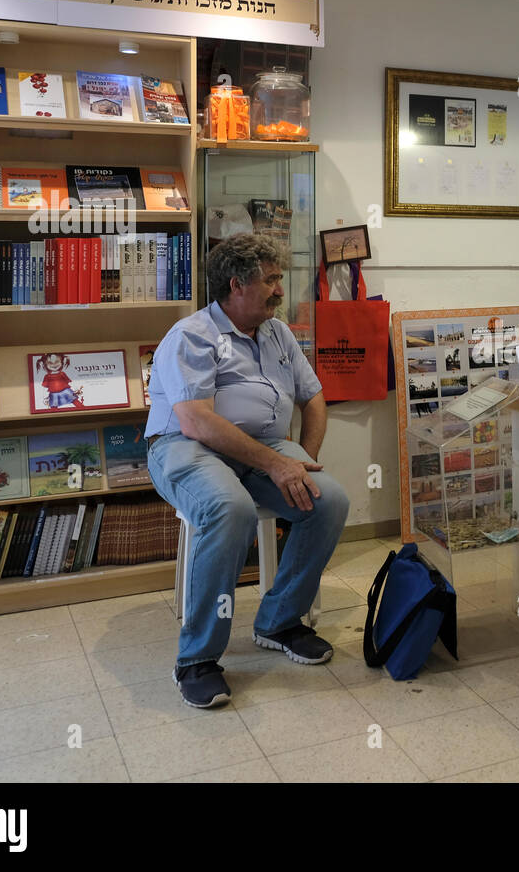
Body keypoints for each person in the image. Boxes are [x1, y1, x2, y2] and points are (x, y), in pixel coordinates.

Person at [146, 234, 349, 709]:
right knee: (229, 508)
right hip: (185, 445)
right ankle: (196, 660)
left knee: (329, 499)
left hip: (266, 447)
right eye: (271, 280)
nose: (281, 289)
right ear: (237, 285)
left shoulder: (277, 332)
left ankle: (279, 621)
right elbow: (195, 419)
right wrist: (278, 463)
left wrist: (301, 461)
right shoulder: (192, 335)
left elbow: (313, 398)